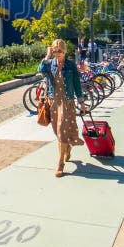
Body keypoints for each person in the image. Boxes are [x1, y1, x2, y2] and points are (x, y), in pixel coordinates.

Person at [38, 39, 87, 177]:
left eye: (59, 51)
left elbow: (77, 84)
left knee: (61, 130)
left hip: (67, 102)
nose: (57, 53)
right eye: (54, 51)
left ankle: (60, 163)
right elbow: (40, 70)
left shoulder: (70, 66)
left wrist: (81, 102)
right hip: (53, 102)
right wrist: (47, 56)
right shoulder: (50, 64)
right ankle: (68, 148)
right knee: (58, 131)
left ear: (64, 51)